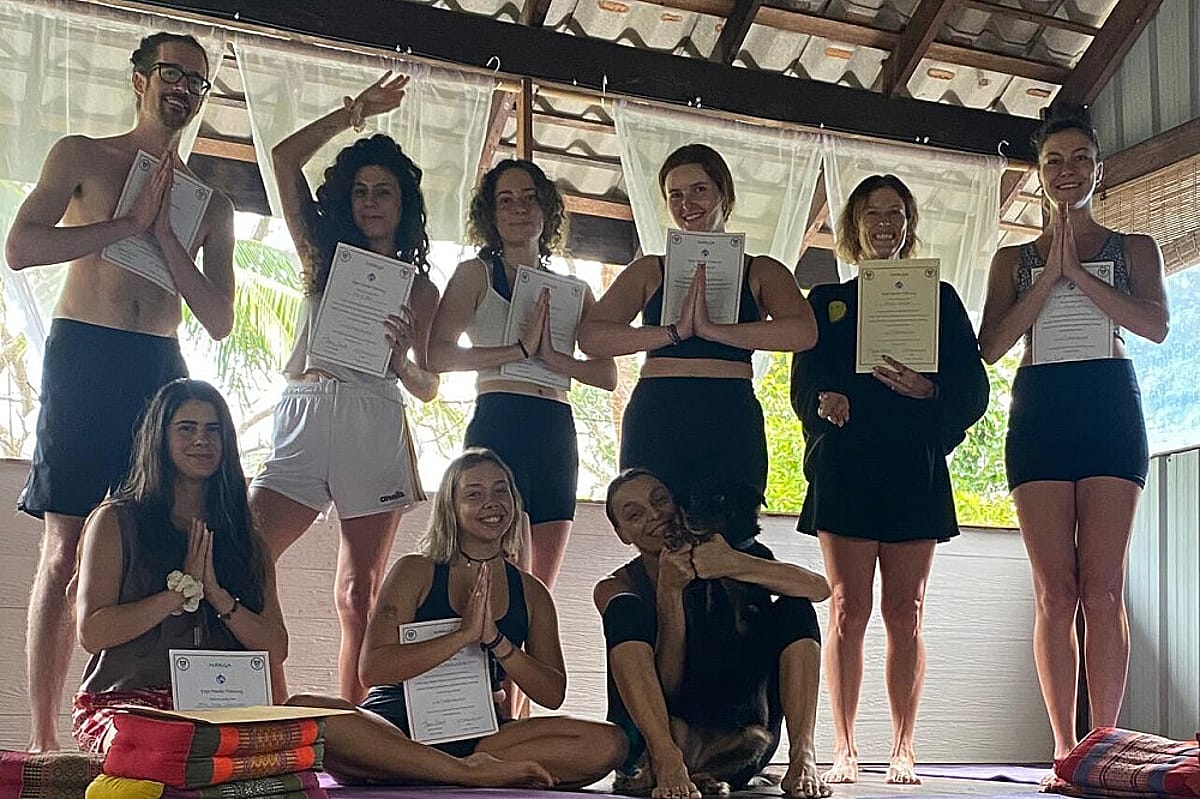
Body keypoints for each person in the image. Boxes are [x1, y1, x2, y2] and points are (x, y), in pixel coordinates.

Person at [72, 381, 555, 790]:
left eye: (213, 430)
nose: (202, 440)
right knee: (169, 749)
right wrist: (176, 595)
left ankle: (461, 770)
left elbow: (275, 646)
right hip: (133, 709)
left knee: (305, 721)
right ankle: (465, 773)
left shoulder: (245, 537)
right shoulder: (118, 521)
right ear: (159, 438)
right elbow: (93, 633)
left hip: (223, 709)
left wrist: (219, 598)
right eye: (187, 428)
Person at [5, 31, 235, 751]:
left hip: (159, 363)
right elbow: (21, 247)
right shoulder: (82, 155)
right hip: (86, 351)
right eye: (173, 74)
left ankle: (140, 720)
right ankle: (44, 740)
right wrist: (127, 225)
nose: (183, 89)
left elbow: (220, 318)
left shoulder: (210, 202)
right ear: (140, 80)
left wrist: (163, 236)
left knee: (156, 545)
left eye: (197, 82)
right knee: (65, 548)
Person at [977, 115, 1168, 764]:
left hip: (1110, 405)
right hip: (1041, 408)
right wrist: (1049, 272)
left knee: (1104, 588)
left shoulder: (1135, 247)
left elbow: (1155, 326)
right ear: (1039, 173)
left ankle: (1103, 745)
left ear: (1098, 169)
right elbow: (991, 345)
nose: (1067, 170)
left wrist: (1079, 274)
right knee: (1055, 592)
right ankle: (1064, 749)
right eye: (1054, 160)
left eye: (1080, 157)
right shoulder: (1012, 259)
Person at [789, 174, 989, 784]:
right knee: (847, 609)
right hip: (846, 468)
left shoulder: (941, 298)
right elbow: (802, 387)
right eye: (872, 213)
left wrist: (930, 391)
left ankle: (904, 745)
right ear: (854, 225)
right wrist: (825, 402)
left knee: (907, 611)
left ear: (908, 224)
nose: (884, 224)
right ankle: (844, 747)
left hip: (913, 468)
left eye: (895, 213)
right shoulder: (826, 301)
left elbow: (973, 389)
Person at [248, 73, 440, 703]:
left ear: (404, 203)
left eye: (384, 191)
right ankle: (274, 712)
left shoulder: (420, 287)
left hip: (373, 415)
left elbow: (429, 385)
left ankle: (354, 733)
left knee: (360, 591)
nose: (371, 202)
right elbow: (283, 159)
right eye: (360, 191)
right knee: (244, 556)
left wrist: (402, 360)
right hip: (304, 412)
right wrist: (353, 113)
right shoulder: (319, 255)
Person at [315, 448, 627, 788]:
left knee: (608, 743)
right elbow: (373, 670)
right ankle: (464, 773)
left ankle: (419, 769)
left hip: (482, 737)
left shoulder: (531, 592)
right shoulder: (415, 571)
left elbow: (552, 694)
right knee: (307, 712)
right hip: (393, 730)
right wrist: (461, 636)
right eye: (474, 494)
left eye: (500, 490)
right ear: (452, 507)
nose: (491, 503)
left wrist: (496, 641)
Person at [578, 144, 817, 513]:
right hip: (658, 410)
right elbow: (591, 338)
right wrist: (673, 332)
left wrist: (714, 330)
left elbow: (804, 332)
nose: (686, 203)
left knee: (730, 528)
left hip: (728, 409)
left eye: (699, 190)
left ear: (724, 194)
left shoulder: (762, 269)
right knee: (655, 523)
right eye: (675, 195)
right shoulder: (650, 268)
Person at [428, 160, 616, 591]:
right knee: (499, 571)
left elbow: (606, 374)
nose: (519, 209)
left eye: (530, 198)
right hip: (501, 417)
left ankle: (536, 636)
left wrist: (554, 358)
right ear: (491, 215)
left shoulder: (573, 289)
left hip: (555, 427)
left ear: (546, 209)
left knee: (540, 585)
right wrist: (517, 350)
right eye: (506, 200)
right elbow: (437, 355)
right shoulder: (475, 273)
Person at [596, 469, 831, 799]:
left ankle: (803, 755)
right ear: (622, 533)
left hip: (740, 740)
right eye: (635, 514)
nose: (654, 515)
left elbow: (819, 589)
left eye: (660, 500)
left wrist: (732, 563)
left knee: (796, 608)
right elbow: (668, 686)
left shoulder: (722, 553)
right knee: (625, 610)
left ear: (678, 504)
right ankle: (666, 760)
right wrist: (669, 593)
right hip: (662, 736)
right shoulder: (617, 586)